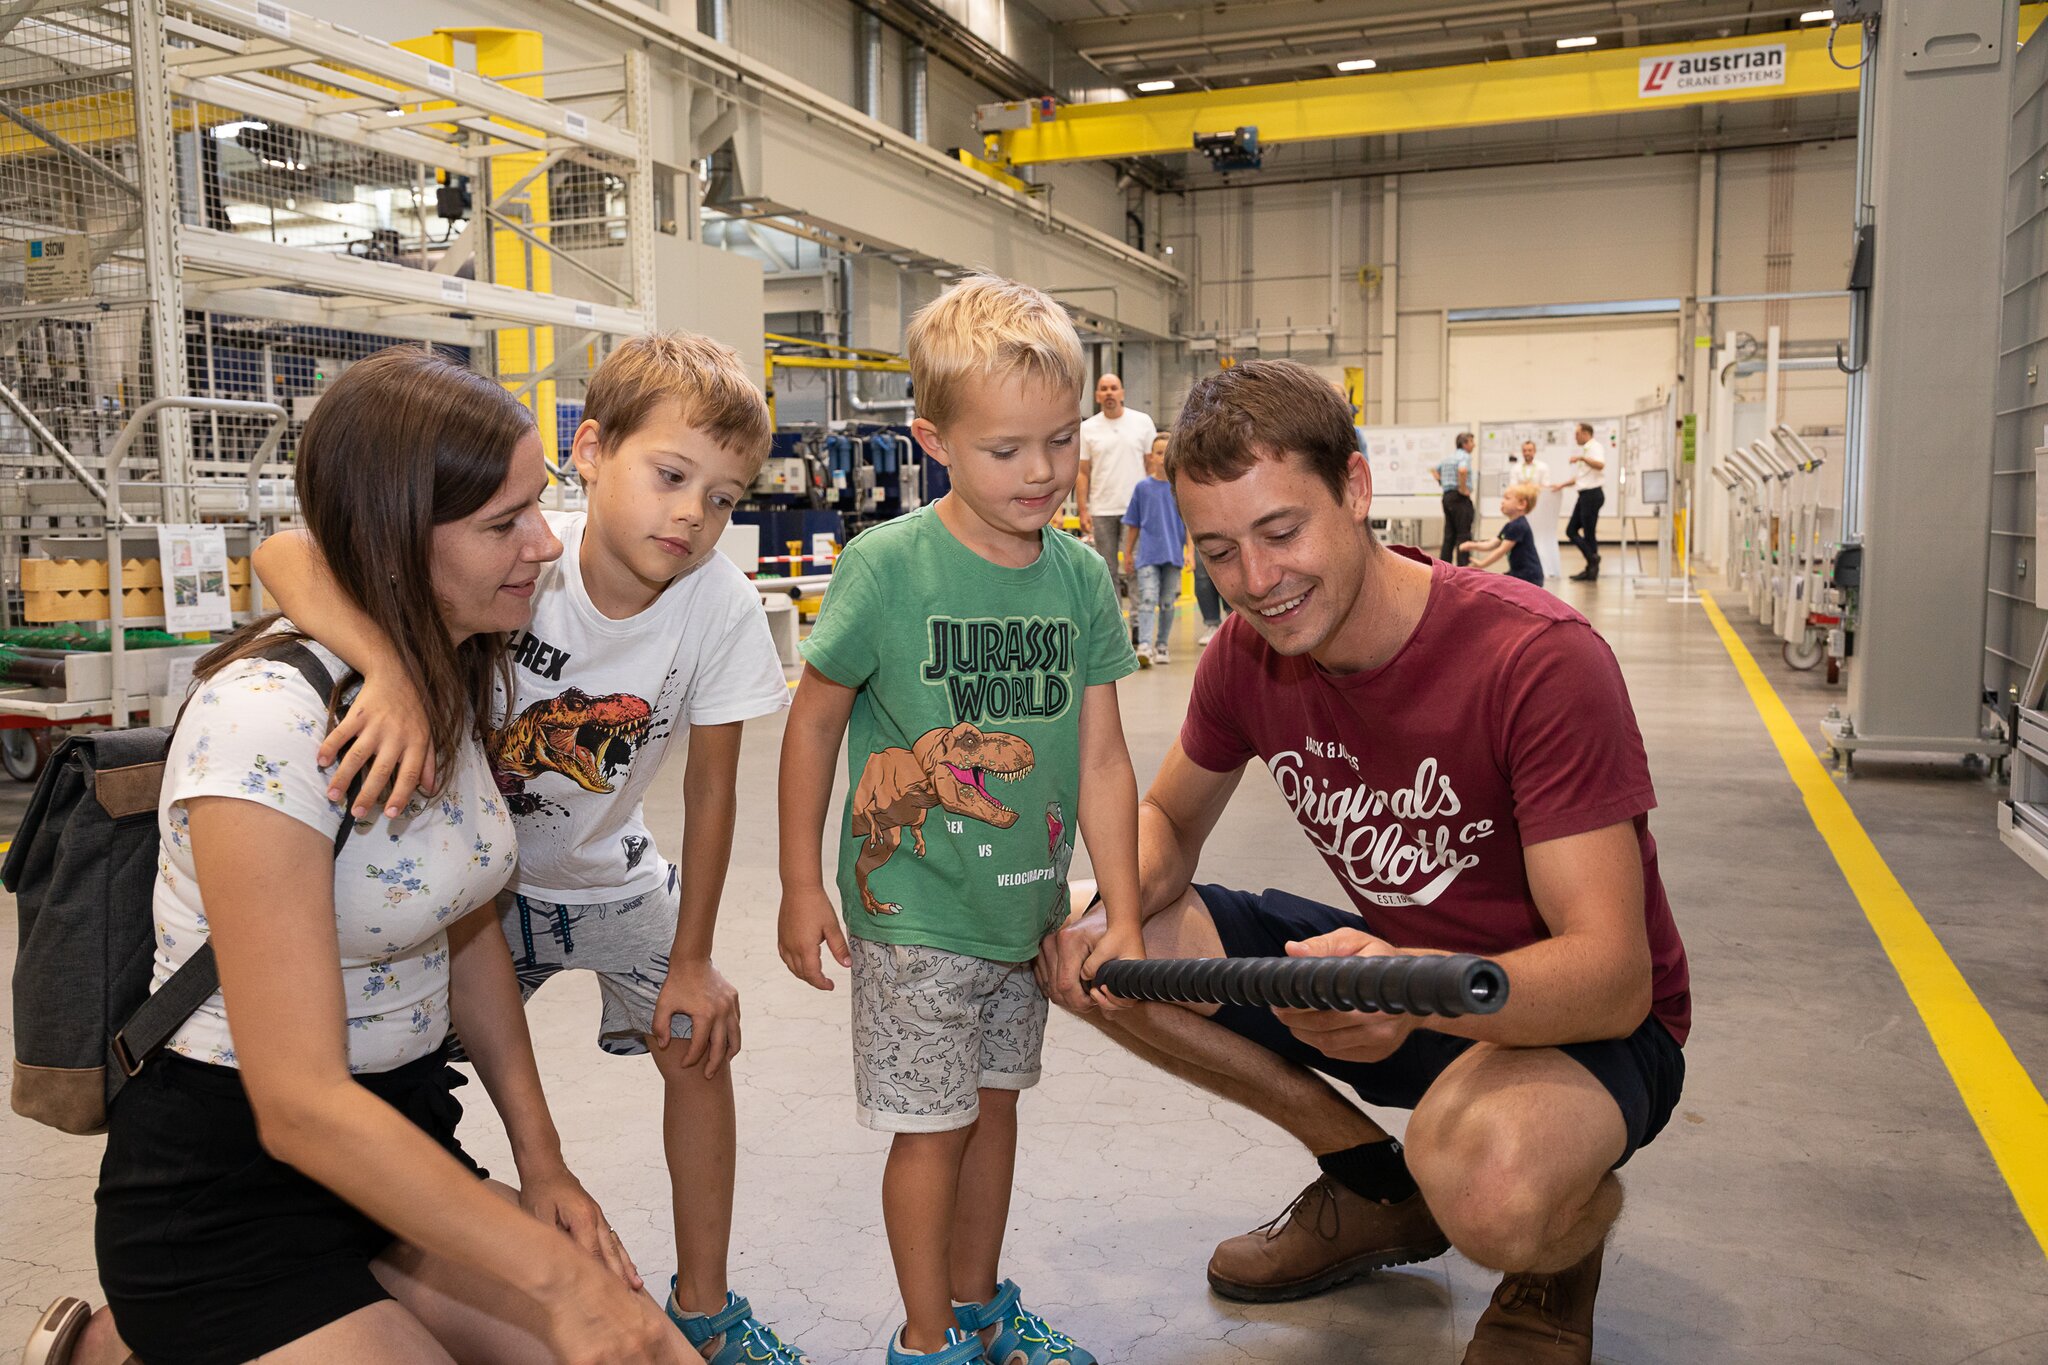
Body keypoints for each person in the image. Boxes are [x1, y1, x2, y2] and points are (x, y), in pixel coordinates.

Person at [35, 347, 690, 1365]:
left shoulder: (448, 673)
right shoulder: (265, 721)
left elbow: (462, 924)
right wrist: (555, 1279)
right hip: (231, 1190)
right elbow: (297, 1106)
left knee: (648, 1354)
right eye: (500, 523)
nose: (545, 543)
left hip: (398, 1153)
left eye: (535, 505)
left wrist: (543, 1166)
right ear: (395, 540)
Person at [1040, 359, 1689, 1365]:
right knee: (1102, 947)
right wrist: (1109, 913)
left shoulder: (1533, 661)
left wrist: (1403, 997)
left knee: (1481, 1188)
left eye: (1281, 531)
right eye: (1217, 552)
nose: (1255, 583)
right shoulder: (1244, 659)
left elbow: (1610, 979)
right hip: (1383, 976)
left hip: (1565, 1023)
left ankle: (1556, 1253)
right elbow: (1165, 819)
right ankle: (1370, 1186)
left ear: (1353, 489)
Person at [251, 334, 812, 1364]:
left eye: (726, 498)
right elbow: (283, 553)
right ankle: (378, 1255)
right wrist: (385, 666)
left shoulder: (721, 605)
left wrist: (692, 957)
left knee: (696, 1045)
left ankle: (706, 1303)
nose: (692, 515)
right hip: (477, 883)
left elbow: (713, 784)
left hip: (611, 875)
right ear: (590, 451)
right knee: (403, 1065)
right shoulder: (518, 550)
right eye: (671, 474)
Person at [777, 275, 1145, 1365]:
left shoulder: (1078, 577)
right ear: (934, 441)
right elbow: (810, 729)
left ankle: (982, 1310)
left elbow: (1105, 759)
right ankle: (927, 1341)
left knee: (994, 1113)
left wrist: (1117, 912)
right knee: (930, 1131)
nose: (1040, 472)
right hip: (915, 915)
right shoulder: (888, 567)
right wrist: (801, 882)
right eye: (1005, 450)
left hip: (1022, 913)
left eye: (1060, 440)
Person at [1074, 372, 1157, 599]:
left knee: (1136, 567)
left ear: (1122, 393)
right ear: (1097, 396)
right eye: (1104, 388)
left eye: (1113, 387)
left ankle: (1140, 629)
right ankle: (1114, 625)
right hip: (1102, 509)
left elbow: (1151, 467)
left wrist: (1152, 505)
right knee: (1106, 569)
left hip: (1136, 511)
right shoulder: (1087, 428)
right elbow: (1082, 473)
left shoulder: (1143, 422)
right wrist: (1083, 509)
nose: (1109, 392)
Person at [1121, 431, 1186, 667]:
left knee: (1168, 602)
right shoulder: (1142, 488)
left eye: (1166, 453)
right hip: (1148, 554)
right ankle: (1145, 645)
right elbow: (1133, 524)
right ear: (1151, 457)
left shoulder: (1180, 488)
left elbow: (1189, 522)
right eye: (1158, 453)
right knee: (1147, 599)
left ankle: (1161, 645)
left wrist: (1190, 552)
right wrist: (1128, 553)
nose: (1162, 458)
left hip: (1173, 554)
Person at [1460, 483, 1546, 587]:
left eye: (1507, 498)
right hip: (1519, 573)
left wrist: (1482, 564)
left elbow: (1501, 550)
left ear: (1522, 504)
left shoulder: (1519, 526)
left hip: (1529, 576)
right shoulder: (1510, 525)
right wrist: (1471, 545)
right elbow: (1492, 544)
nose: (1502, 502)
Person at [1551, 421, 1607, 581]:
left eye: (1577, 434)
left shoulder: (1595, 447)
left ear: (1585, 433)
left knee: (1587, 533)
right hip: (1584, 494)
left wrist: (1582, 458)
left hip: (1592, 495)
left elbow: (1600, 465)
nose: (1575, 437)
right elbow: (1581, 478)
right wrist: (1562, 484)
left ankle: (1592, 564)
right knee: (1572, 531)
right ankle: (1592, 561)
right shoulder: (1587, 450)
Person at [1437, 431, 1476, 566]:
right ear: (1464, 444)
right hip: (1459, 498)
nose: (1474, 445)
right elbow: (1462, 470)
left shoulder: (1448, 458)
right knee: (1463, 534)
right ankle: (1463, 568)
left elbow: (1435, 471)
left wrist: (1442, 482)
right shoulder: (1464, 457)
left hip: (1447, 497)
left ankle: (1443, 567)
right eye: (1471, 442)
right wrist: (1463, 488)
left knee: (1449, 535)